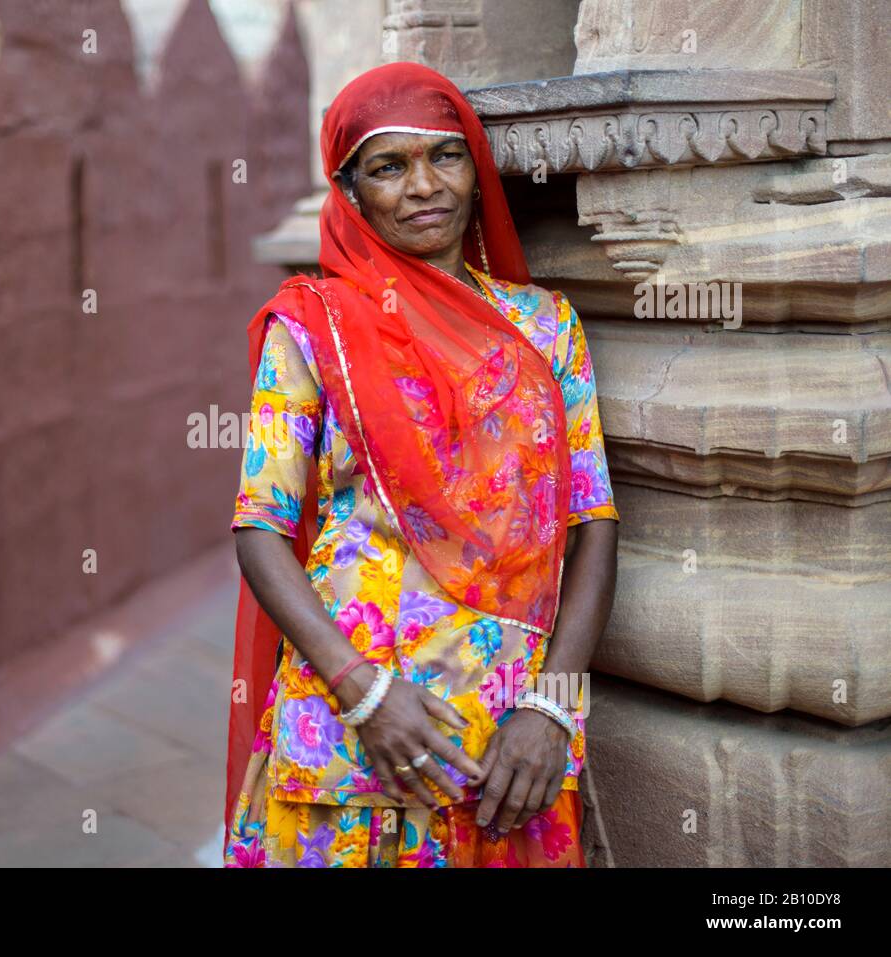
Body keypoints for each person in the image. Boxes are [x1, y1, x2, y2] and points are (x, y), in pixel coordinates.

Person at [223, 62, 619, 868]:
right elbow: (260, 529)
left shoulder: (545, 329)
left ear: (477, 169)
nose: (422, 186)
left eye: (445, 156)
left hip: (511, 743)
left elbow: (594, 525)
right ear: (350, 190)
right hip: (351, 731)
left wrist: (555, 707)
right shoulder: (314, 326)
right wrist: (364, 694)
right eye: (388, 166)